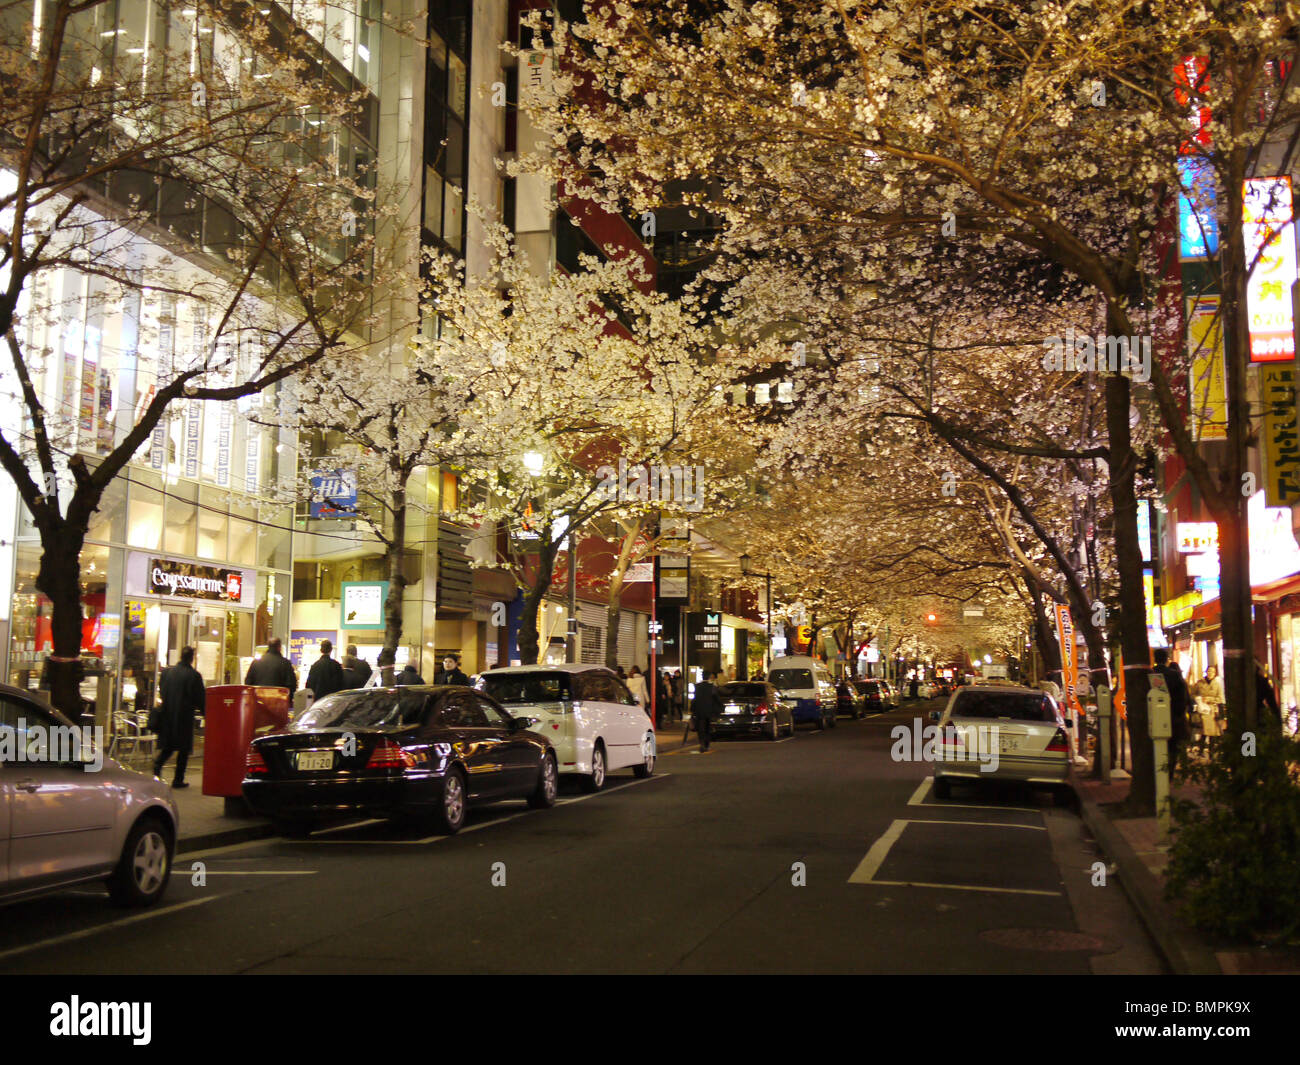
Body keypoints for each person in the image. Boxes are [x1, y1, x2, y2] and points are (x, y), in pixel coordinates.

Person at [153, 646, 204, 788]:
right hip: (184, 717)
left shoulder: (167, 673)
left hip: (168, 714)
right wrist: (207, 713)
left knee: (168, 746)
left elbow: (162, 691)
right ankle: (178, 779)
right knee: (183, 749)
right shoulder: (193, 675)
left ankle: (157, 769)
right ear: (191, 658)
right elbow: (200, 699)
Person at [1153, 648, 1191, 778]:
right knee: (1173, 746)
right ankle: (1169, 772)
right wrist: (1179, 714)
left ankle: (1158, 772)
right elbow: (1183, 698)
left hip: (1154, 717)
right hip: (1174, 717)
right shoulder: (1174, 675)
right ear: (1167, 658)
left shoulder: (1151, 674)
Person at [691, 669, 723, 752]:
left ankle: (701, 743)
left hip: (699, 710)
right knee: (708, 727)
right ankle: (706, 744)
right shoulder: (712, 687)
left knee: (700, 728)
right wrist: (720, 707)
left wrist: (692, 709)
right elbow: (716, 698)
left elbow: (694, 699)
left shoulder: (697, 686)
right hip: (709, 710)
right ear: (709, 677)